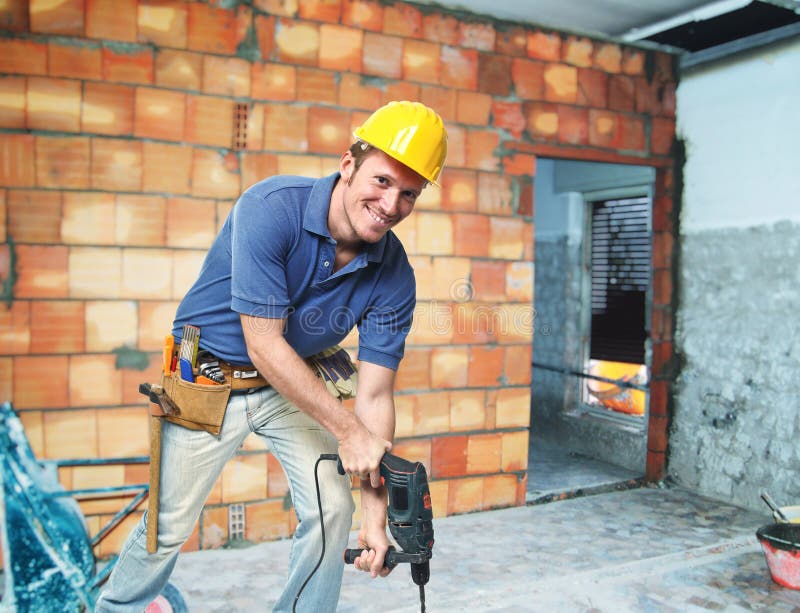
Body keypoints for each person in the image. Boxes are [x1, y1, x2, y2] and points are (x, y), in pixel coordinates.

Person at [96, 101, 448, 612]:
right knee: (167, 526)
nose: (391, 204)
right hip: (209, 377)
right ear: (348, 165)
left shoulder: (395, 275)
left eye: (409, 193)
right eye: (382, 181)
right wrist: (348, 432)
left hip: (290, 386)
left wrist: (376, 513)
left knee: (332, 512)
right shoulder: (270, 207)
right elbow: (263, 343)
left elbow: (374, 394)